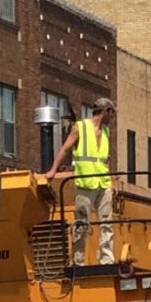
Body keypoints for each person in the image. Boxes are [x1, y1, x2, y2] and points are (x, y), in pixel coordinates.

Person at [53, 97, 118, 265]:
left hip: (102, 183)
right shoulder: (80, 127)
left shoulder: (105, 132)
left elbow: (105, 158)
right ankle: (78, 260)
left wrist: (111, 181)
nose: (112, 118)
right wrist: (53, 170)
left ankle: (107, 259)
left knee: (107, 222)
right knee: (81, 223)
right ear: (105, 112)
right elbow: (65, 148)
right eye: (112, 114)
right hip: (85, 183)